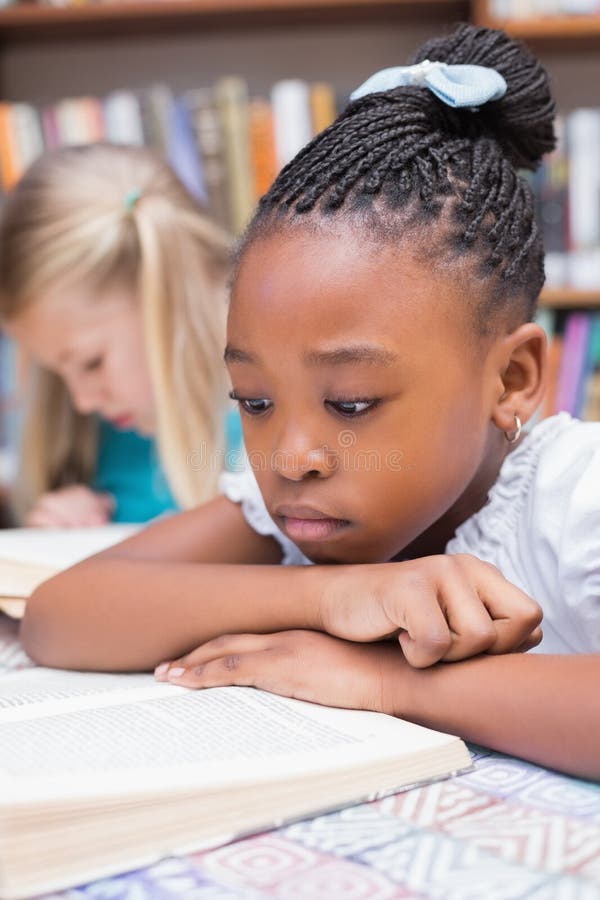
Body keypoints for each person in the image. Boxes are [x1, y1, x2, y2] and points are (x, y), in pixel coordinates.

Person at [20, 25, 600, 778]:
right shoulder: (299, 529)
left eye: (352, 405)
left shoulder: (574, 499)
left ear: (513, 378)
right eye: (255, 402)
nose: (292, 456)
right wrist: (334, 595)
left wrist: (384, 681)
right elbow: (62, 616)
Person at [0, 143, 234, 526]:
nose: (83, 402)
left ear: (167, 296)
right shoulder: (99, 442)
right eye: (60, 374)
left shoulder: (283, 434)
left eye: (92, 363)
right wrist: (58, 536)